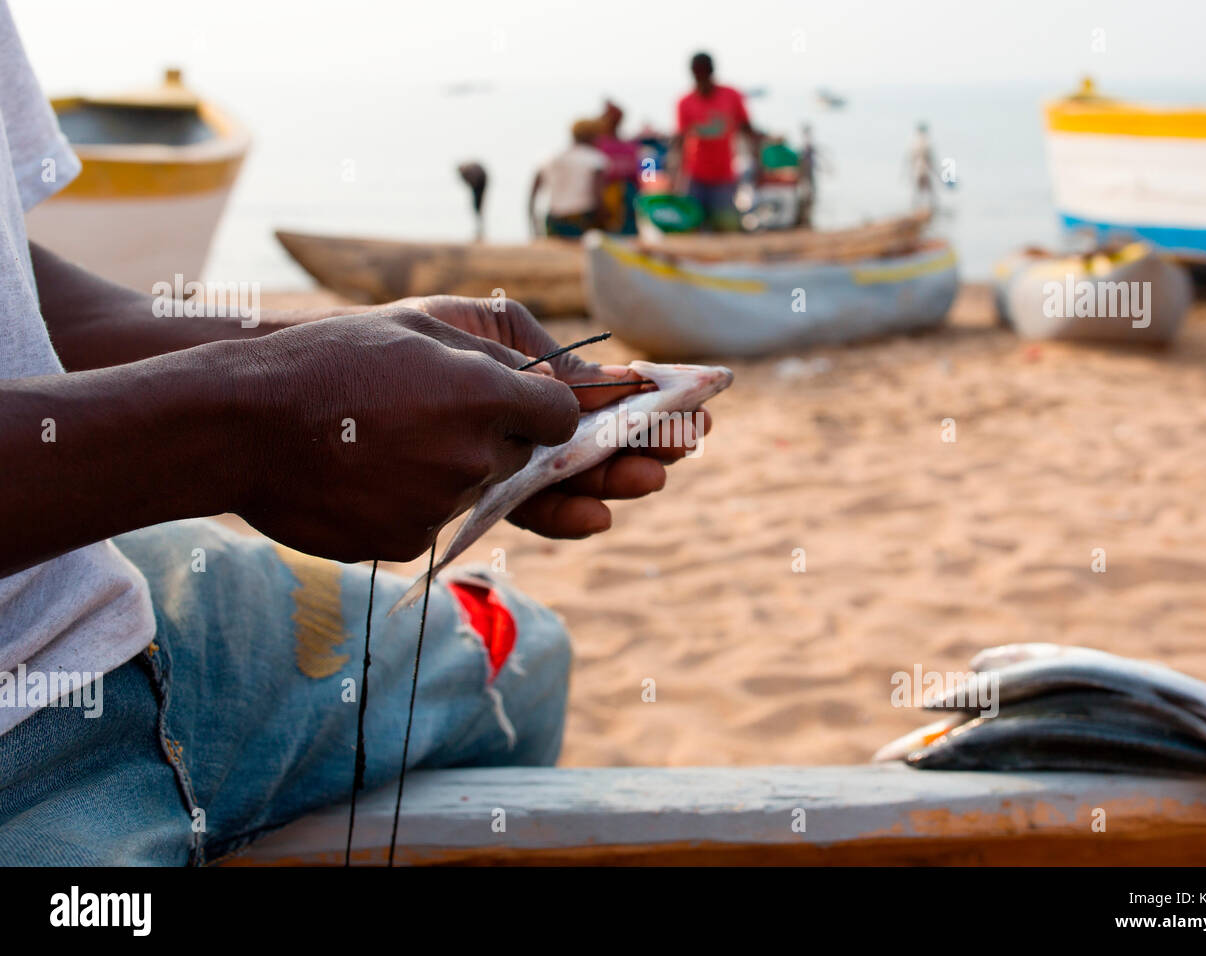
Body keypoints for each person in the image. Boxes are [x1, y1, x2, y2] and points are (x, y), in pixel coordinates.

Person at [0, 2, 710, 865]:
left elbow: (28, 305)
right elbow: (229, 420)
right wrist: (244, 428)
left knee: (528, 655)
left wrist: (341, 351)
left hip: (78, 583)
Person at [672, 51, 759, 232]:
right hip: (695, 176)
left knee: (726, 226)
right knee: (691, 227)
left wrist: (758, 163)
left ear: (711, 73)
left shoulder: (731, 96)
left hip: (724, 176)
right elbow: (679, 142)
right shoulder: (685, 102)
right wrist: (675, 178)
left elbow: (748, 130)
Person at [528, 118, 608, 238]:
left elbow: (533, 194)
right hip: (583, 220)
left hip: (553, 220)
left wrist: (533, 225)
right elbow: (597, 195)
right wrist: (603, 224)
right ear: (593, 136)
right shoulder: (595, 160)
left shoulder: (550, 158)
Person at [593, 100, 641, 235]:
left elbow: (642, 171)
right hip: (606, 195)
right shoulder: (598, 144)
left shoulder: (629, 145)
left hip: (627, 195)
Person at [908, 121, 938, 212]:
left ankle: (918, 207)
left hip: (919, 170)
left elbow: (911, 159)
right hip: (923, 170)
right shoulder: (924, 142)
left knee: (920, 190)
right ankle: (926, 207)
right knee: (927, 189)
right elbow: (928, 158)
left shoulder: (915, 143)